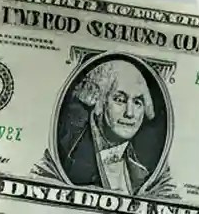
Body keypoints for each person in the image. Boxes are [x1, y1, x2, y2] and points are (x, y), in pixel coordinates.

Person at [58, 59, 155, 193]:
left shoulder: (141, 173)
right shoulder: (70, 157)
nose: (130, 113)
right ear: (100, 102)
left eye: (137, 102)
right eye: (120, 100)